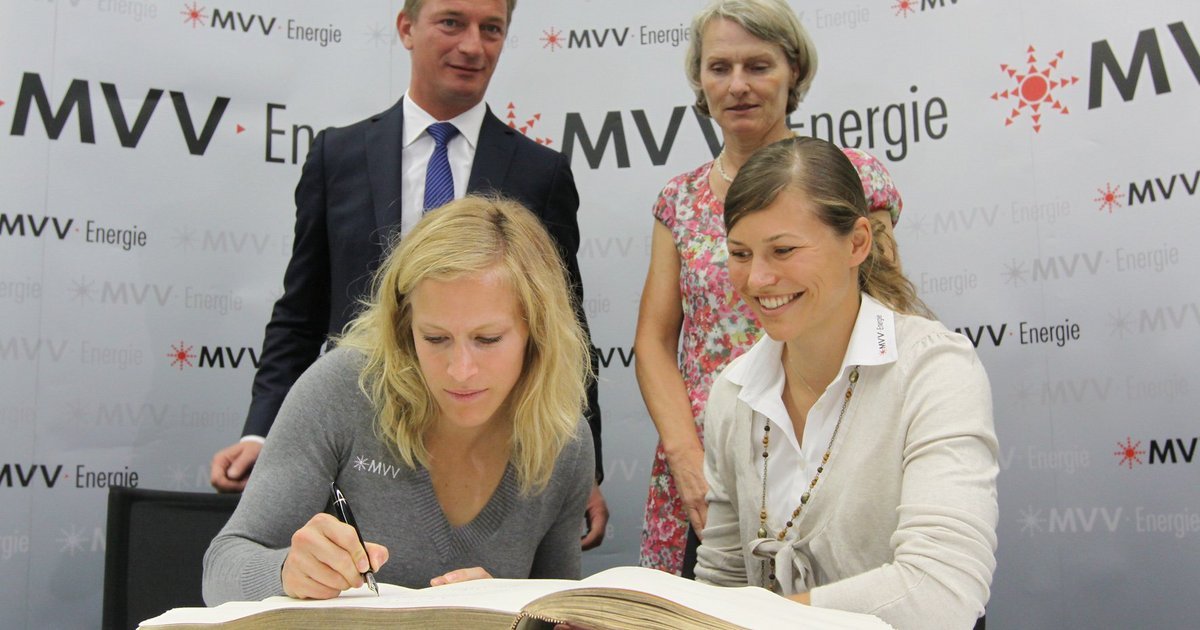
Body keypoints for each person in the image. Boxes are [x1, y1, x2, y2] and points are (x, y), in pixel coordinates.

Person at [208, 0, 608, 549]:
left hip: (490, 448)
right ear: (405, 27)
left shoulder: (541, 173)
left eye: (491, 29)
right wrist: (265, 431)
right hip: (355, 446)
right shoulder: (338, 155)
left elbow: (565, 327)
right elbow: (300, 313)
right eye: (451, 22)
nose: (472, 45)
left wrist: (584, 466)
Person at [203, 196, 595, 604]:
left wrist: (500, 609)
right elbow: (221, 572)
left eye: (487, 339)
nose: (460, 369)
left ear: (538, 332)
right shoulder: (344, 390)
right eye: (435, 338)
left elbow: (556, 612)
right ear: (405, 327)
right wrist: (287, 572)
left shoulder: (564, 439)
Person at [635, 0, 904, 576]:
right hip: (709, 467)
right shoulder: (678, 202)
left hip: (831, 452)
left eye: (758, 66)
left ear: (794, 74)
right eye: (719, 68)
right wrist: (687, 456)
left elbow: (890, 314)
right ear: (700, 81)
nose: (737, 86)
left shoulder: (852, 178)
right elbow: (655, 342)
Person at [695, 136, 998, 629]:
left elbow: (940, 594)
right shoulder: (733, 390)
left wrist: (751, 617)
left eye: (784, 250)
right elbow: (722, 578)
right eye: (740, 253)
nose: (757, 279)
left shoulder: (933, 369)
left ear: (857, 243)